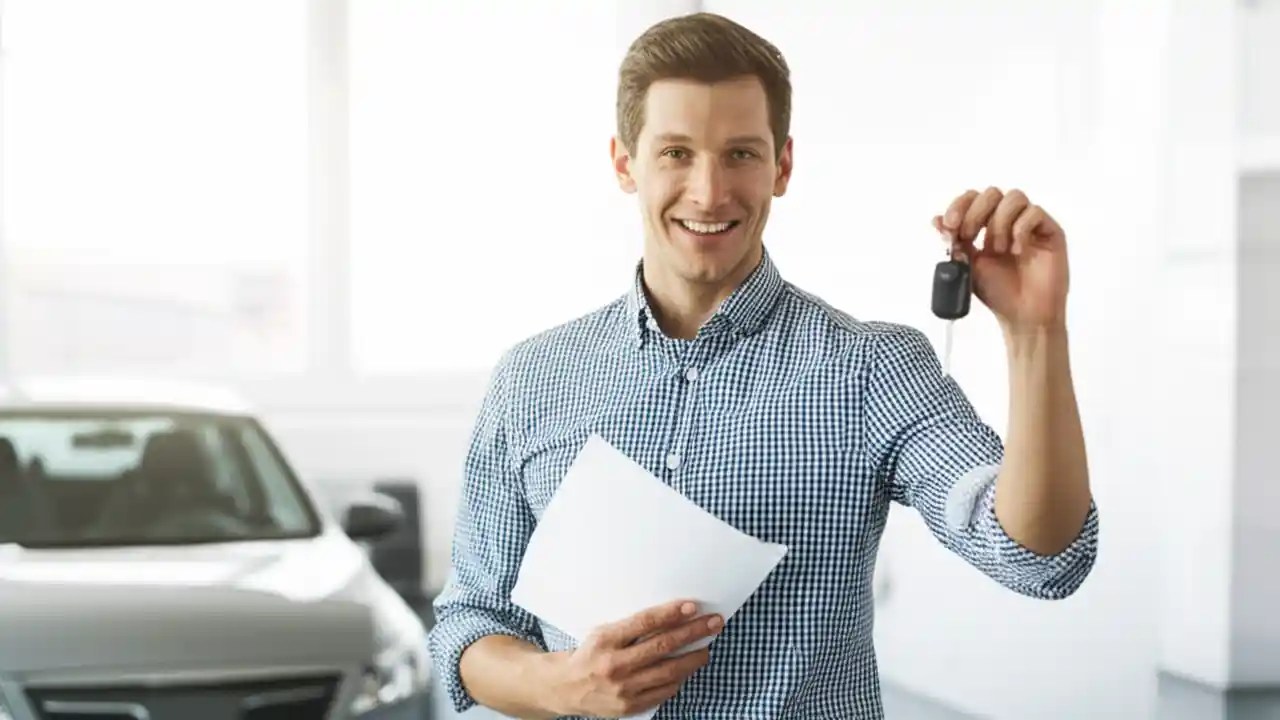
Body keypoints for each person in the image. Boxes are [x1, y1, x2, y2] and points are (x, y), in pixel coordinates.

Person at [427, 11, 1098, 720]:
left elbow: (1041, 557)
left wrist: (1037, 335)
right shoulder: (531, 379)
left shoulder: (871, 370)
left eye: (740, 154)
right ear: (625, 163)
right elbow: (468, 626)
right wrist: (562, 685)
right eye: (676, 152)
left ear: (782, 165)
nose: (709, 192)